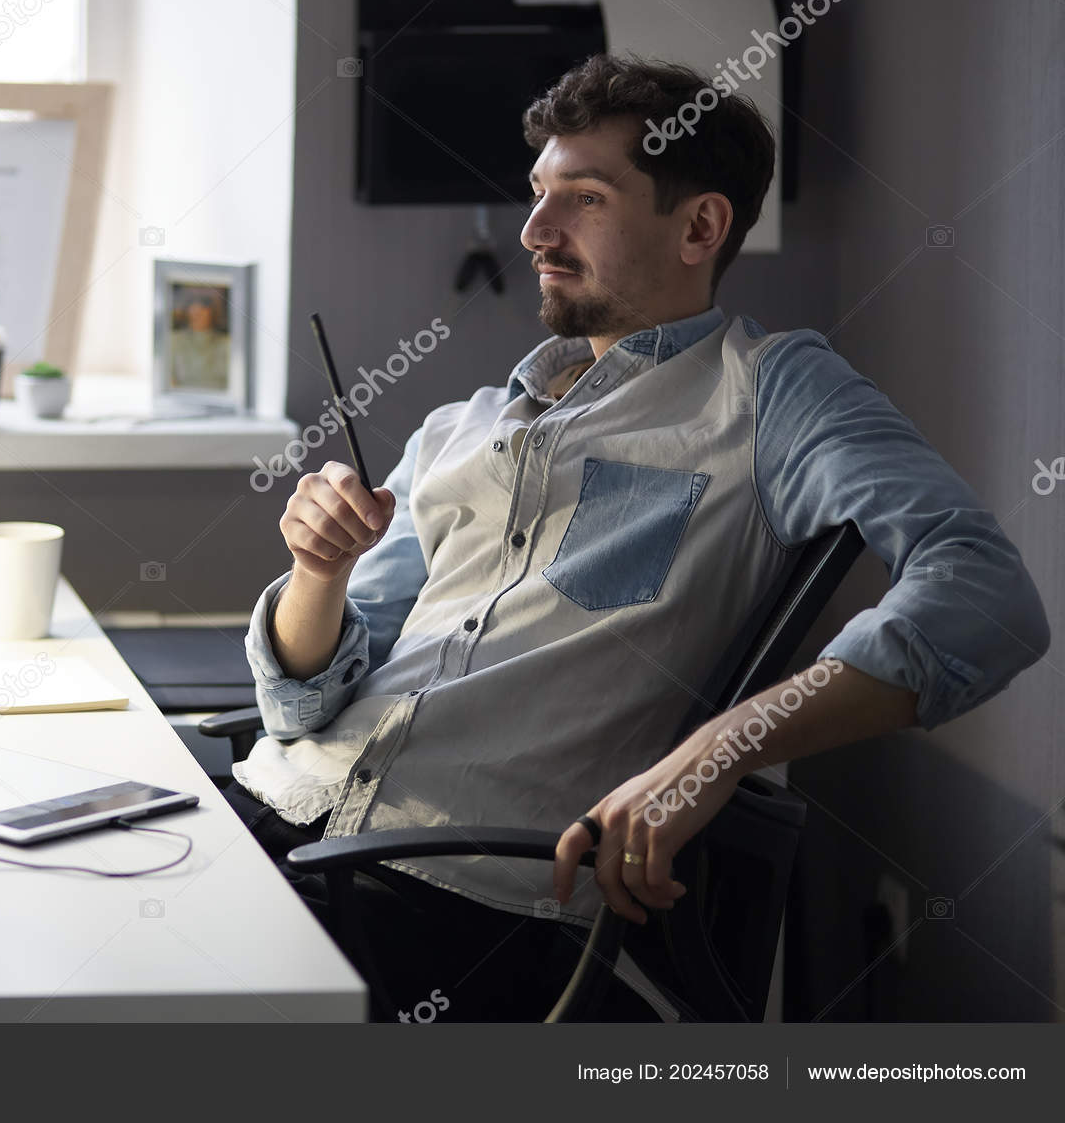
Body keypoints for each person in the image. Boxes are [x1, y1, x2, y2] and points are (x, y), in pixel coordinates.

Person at [230, 53, 1051, 1022]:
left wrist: (720, 748)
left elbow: (982, 592)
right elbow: (302, 700)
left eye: (582, 198)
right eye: (537, 194)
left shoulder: (768, 391)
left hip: (456, 899)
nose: (535, 231)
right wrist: (315, 572)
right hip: (271, 818)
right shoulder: (459, 427)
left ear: (700, 225)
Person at [168, 290, 230, 390]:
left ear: (213, 313)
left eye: (203, 310)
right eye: (194, 313)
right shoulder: (174, 340)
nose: (197, 315)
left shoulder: (227, 343)